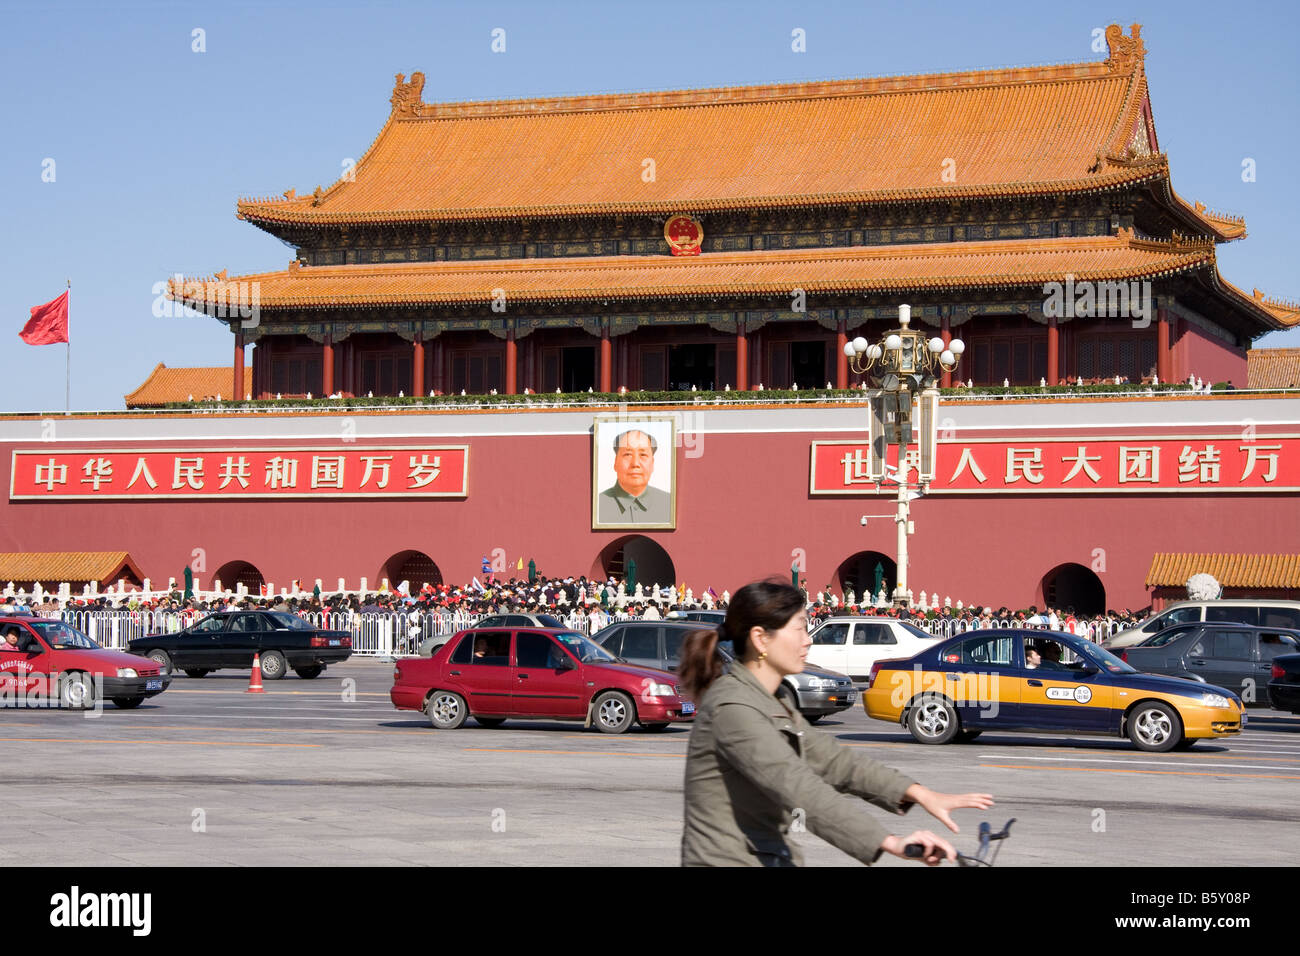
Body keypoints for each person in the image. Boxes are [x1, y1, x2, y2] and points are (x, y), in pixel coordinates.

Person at [678, 579, 994, 867]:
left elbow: (835, 760)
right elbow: (795, 785)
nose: (808, 641)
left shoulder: (774, 701)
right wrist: (891, 842)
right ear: (761, 638)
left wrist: (919, 793)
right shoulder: (733, 707)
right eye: (799, 628)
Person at [597, 429, 671, 525]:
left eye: (643, 454)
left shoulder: (669, 504)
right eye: (628, 454)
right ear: (615, 462)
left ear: (652, 463)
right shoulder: (597, 506)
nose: (635, 463)